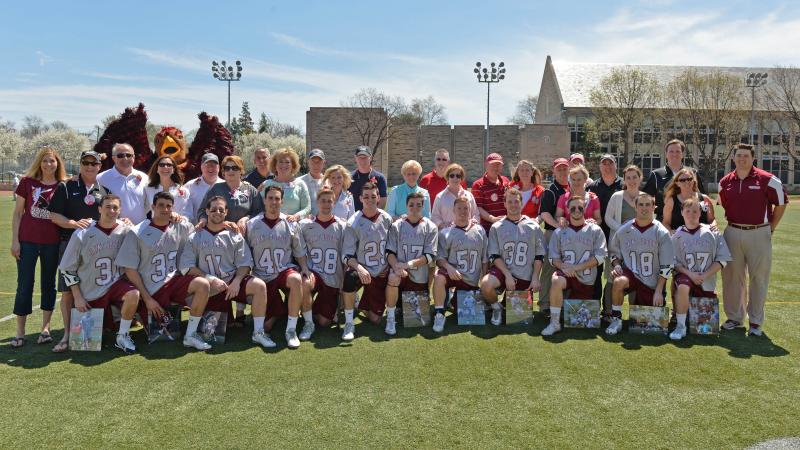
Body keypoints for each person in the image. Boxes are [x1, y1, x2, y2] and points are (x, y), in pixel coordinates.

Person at [116, 192, 218, 351]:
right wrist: (147, 298)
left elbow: (200, 232)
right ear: (152, 207)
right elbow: (130, 269)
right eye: (161, 205)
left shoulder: (181, 226)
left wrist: (224, 225)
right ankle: (126, 331)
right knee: (156, 330)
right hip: (150, 288)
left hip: (173, 282)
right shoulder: (137, 231)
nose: (165, 209)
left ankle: (190, 335)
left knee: (203, 284)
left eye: (169, 206)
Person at [178, 196, 275, 348]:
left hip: (230, 283)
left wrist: (236, 282)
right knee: (216, 323)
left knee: (259, 286)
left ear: (226, 212)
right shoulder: (196, 236)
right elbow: (186, 266)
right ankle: (191, 334)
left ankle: (258, 332)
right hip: (208, 287)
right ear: (207, 212)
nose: (217, 212)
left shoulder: (234, 235)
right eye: (214, 209)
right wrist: (209, 278)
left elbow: (245, 263)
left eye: (221, 210)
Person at [718, 143, 788, 336]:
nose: (742, 159)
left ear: (752, 158)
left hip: (759, 233)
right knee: (732, 277)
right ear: (733, 158)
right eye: (738, 156)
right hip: (732, 231)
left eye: (746, 156)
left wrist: (771, 227)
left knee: (759, 277)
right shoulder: (725, 182)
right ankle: (735, 318)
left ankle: (756, 322)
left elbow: (781, 203)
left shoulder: (767, 179)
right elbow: (725, 205)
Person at [48, 150, 113, 352]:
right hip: (69, 244)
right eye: (86, 162)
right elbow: (54, 216)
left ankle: (92, 332)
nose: (90, 166)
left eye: (94, 163)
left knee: (92, 288)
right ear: (80, 164)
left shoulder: (104, 190)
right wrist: (74, 224)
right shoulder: (66, 187)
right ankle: (67, 335)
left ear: (99, 167)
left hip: (96, 248)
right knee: (68, 292)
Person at [58, 194, 141, 353]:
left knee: (133, 294)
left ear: (120, 210)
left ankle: (122, 336)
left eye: (115, 207)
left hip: (115, 286)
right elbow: (67, 268)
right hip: (90, 293)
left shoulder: (126, 230)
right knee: (87, 343)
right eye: (108, 207)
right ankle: (72, 333)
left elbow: (144, 237)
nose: (111, 210)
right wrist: (77, 297)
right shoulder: (82, 233)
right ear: (99, 209)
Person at [10, 146, 67, 348]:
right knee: (24, 284)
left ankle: (45, 329)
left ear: (57, 164)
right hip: (27, 241)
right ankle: (20, 332)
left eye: (52, 161)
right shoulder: (27, 183)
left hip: (52, 242)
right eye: (45, 161)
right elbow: (18, 213)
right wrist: (15, 241)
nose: (48, 164)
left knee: (48, 285)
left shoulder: (63, 186)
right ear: (39, 163)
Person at [245, 185, 312, 349]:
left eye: (277, 199)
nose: (274, 202)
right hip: (261, 275)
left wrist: (304, 267)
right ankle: (279, 312)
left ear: (282, 201)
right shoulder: (252, 224)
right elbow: (245, 254)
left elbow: (299, 250)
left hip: (283, 270)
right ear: (264, 200)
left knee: (296, 279)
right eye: (270, 198)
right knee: (267, 325)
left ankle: (291, 329)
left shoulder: (290, 223)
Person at [606, 193, 674, 336]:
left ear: (654, 207)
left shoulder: (661, 232)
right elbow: (613, 253)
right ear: (635, 207)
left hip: (652, 282)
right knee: (618, 281)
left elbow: (667, 266)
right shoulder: (624, 230)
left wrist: (658, 291)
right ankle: (616, 320)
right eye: (641, 205)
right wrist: (617, 265)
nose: (644, 208)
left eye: (648, 204)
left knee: (652, 322)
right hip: (632, 275)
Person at [541, 195, 607, 336]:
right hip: (567, 275)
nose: (576, 210)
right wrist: (565, 267)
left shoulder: (595, 230)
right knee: (556, 280)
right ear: (567, 209)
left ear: (585, 209)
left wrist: (575, 268)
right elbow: (553, 258)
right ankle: (554, 323)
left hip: (587, 279)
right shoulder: (560, 231)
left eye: (580, 207)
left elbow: (600, 257)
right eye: (573, 208)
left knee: (584, 320)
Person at [669, 197, 732, 340]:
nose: (691, 214)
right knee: (683, 286)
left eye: (695, 211)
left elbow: (722, 260)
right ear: (682, 212)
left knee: (705, 327)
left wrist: (704, 275)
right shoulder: (677, 235)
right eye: (688, 211)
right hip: (686, 276)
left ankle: (689, 319)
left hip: (707, 279)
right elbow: (674, 263)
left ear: (700, 213)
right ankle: (680, 326)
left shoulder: (712, 232)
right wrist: (691, 274)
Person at [480, 189, 545, 326]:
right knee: (486, 284)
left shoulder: (533, 226)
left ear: (521, 203)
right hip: (504, 272)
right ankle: (496, 308)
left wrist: (535, 277)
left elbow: (540, 255)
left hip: (524, 275)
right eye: (509, 201)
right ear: (504, 204)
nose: (513, 205)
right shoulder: (497, 226)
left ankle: (504, 304)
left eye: (516, 201)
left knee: (517, 316)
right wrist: (508, 275)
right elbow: (494, 255)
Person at [341, 182, 393, 339]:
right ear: (360, 198)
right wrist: (360, 268)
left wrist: (389, 265)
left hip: (381, 271)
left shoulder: (386, 218)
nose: (370, 200)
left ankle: (367, 306)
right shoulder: (353, 221)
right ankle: (349, 323)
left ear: (378, 197)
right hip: (363, 270)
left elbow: (392, 249)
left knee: (375, 319)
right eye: (366, 197)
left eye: (373, 196)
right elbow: (347, 256)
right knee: (350, 277)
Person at [384, 192, 438, 336]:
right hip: (400, 273)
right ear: (406, 206)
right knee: (393, 277)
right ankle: (390, 317)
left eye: (418, 205)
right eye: (411, 205)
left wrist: (406, 264)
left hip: (419, 276)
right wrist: (396, 266)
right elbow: (389, 252)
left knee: (417, 317)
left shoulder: (430, 226)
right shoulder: (397, 225)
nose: (415, 208)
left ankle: (401, 306)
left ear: (423, 206)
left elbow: (430, 256)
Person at [433, 197, 488, 332]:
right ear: (453, 210)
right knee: (439, 276)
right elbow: (439, 259)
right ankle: (439, 314)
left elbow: (484, 258)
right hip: (454, 275)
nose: (463, 212)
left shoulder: (480, 230)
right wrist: (449, 267)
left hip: (471, 281)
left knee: (463, 312)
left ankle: (452, 299)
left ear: (470, 210)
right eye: (459, 208)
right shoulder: (445, 233)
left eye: (466, 208)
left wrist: (483, 279)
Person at [299, 188, 347, 336]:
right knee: (305, 282)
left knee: (324, 322)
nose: (326, 204)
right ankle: (308, 324)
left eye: (330, 201)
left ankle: (310, 310)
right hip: (315, 272)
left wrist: (344, 282)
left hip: (333, 277)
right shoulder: (305, 225)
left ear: (334, 203)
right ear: (317, 202)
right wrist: (305, 268)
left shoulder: (342, 226)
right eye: (323, 201)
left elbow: (346, 256)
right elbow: (299, 251)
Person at [587, 154, 623, 317]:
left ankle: (609, 310)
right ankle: (593, 310)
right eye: (604, 164)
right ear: (600, 167)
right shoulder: (592, 187)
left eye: (611, 163)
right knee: (595, 274)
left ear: (616, 165)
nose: (607, 166)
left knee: (613, 275)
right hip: (596, 239)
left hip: (618, 237)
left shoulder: (624, 185)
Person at [643, 139, 705, 221]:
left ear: (682, 154)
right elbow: (646, 199)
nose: (674, 154)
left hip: (691, 222)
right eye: (671, 151)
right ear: (666, 154)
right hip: (664, 222)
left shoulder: (693, 173)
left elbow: (702, 199)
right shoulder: (656, 174)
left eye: (678, 151)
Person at [538, 158, 570, 314]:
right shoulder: (550, 190)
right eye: (560, 169)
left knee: (567, 269)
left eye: (565, 169)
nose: (563, 172)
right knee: (549, 268)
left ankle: (562, 302)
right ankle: (544, 303)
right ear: (554, 172)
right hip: (552, 234)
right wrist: (558, 226)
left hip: (570, 236)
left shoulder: (573, 188)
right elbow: (544, 213)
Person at [197, 155, 263, 232]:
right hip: (221, 235)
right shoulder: (215, 189)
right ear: (223, 172)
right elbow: (202, 211)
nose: (230, 171)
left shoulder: (250, 190)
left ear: (241, 171)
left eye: (234, 168)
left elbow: (260, 212)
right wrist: (203, 220)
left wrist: (247, 218)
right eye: (227, 168)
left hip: (246, 236)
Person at [97, 143, 149, 224]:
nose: (125, 158)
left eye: (128, 155)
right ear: (113, 158)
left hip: (140, 230)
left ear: (134, 157)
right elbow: (98, 204)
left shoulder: (145, 178)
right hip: (113, 231)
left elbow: (148, 204)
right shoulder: (101, 178)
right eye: (120, 155)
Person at [260, 147, 311, 221]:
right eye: (280, 162)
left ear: (293, 165)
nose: (284, 165)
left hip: (294, 227)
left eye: (287, 162)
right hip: (270, 227)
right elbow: (258, 207)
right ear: (275, 165)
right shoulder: (266, 184)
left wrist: (296, 216)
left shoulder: (300, 184)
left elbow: (307, 207)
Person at [661, 168, 716, 233]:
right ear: (677, 183)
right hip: (679, 240)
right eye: (682, 180)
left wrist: (713, 225)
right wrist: (671, 232)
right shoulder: (671, 201)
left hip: (701, 239)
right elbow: (665, 223)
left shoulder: (705, 199)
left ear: (694, 181)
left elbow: (711, 220)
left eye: (689, 179)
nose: (687, 182)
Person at [431, 163, 479, 229]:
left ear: (461, 178)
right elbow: (434, 217)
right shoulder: (440, 197)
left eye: (458, 176)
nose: (455, 178)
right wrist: (443, 226)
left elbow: (476, 214)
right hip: (447, 235)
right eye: (452, 176)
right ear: (447, 177)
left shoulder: (469, 195)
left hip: (467, 234)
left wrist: (474, 221)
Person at [472, 152, 510, 232]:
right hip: (488, 229)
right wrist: (493, 219)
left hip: (506, 226)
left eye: (498, 165)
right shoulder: (478, 185)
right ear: (486, 165)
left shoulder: (506, 181)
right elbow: (478, 208)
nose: (496, 167)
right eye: (493, 164)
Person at [182, 153, 224, 222]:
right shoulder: (190, 186)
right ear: (201, 167)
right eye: (207, 165)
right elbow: (184, 210)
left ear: (218, 167)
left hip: (220, 230)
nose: (210, 168)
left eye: (213, 165)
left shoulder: (225, 185)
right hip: (196, 229)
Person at [349, 145, 388, 211]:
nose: (363, 160)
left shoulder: (380, 178)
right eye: (360, 157)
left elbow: (382, 201)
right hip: (353, 217)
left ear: (371, 158)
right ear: (355, 158)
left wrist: (372, 215)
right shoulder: (349, 178)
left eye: (365, 157)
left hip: (372, 217)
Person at [299, 148, 326, 217]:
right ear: (308, 163)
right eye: (313, 161)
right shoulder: (299, 182)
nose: (316, 165)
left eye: (319, 162)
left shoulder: (328, 182)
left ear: (324, 163)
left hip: (325, 224)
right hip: (305, 224)